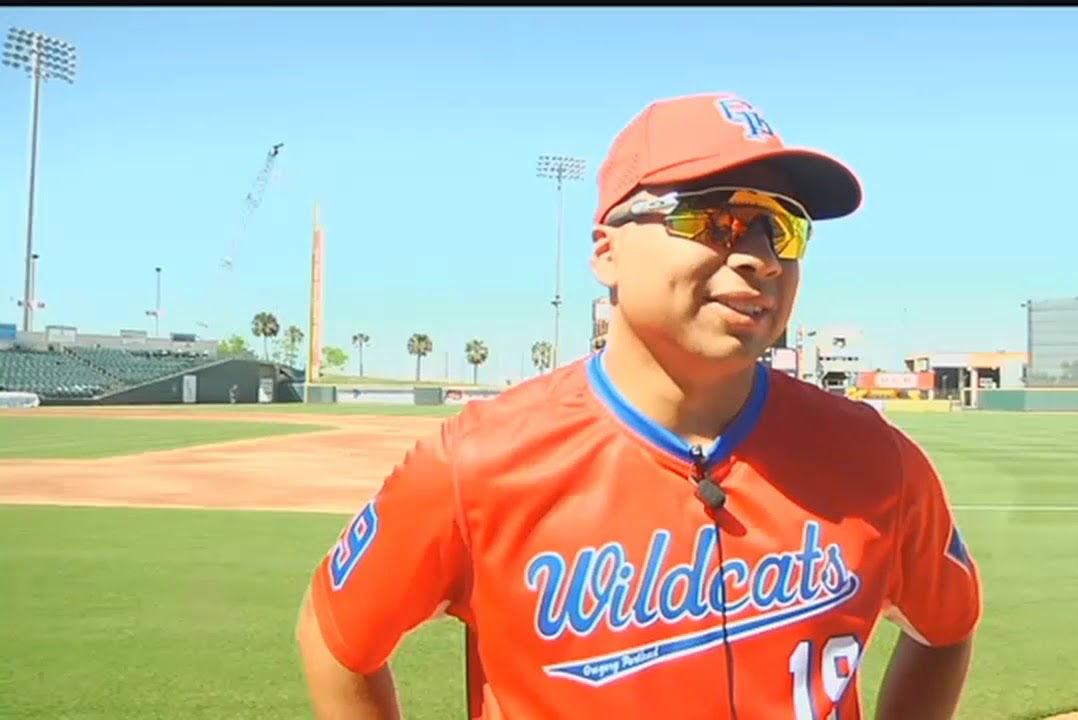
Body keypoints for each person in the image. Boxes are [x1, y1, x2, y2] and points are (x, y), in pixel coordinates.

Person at [295, 92, 982, 720]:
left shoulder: (875, 460)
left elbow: (946, 629)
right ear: (607, 251)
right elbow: (337, 639)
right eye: (718, 219)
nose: (761, 257)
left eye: (784, 229)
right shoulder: (477, 463)